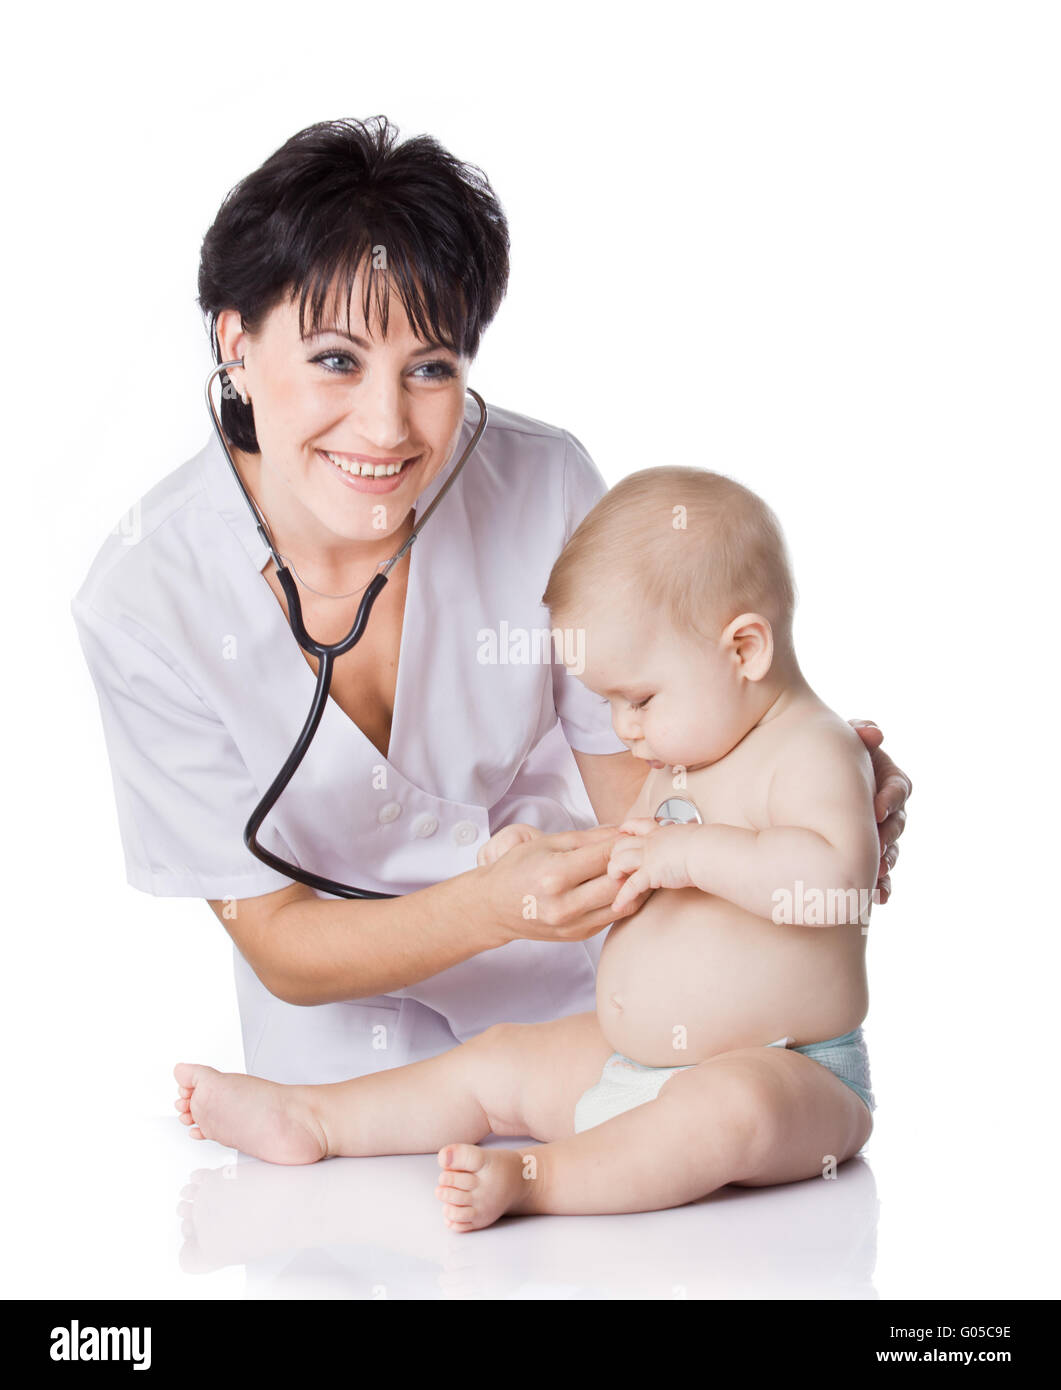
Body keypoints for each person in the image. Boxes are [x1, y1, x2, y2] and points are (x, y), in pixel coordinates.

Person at [73, 116, 910, 1088]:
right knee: (357, 1166)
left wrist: (798, 784)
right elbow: (276, 939)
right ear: (236, 343)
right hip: (339, 1032)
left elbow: (651, 790)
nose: (385, 426)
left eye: (429, 368)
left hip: (588, 987)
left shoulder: (543, 483)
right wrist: (492, 906)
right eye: (336, 359)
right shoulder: (142, 604)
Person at [173, 467, 884, 1232]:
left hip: (790, 1072)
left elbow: (834, 880)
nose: (622, 728)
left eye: (638, 699)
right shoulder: (687, 752)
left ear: (743, 649)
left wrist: (686, 854)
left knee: (728, 1108)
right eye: (608, 703)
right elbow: (629, 854)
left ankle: (538, 1181)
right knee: (500, 1058)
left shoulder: (811, 749)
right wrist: (543, 852)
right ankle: (314, 1118)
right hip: (630, 1060)